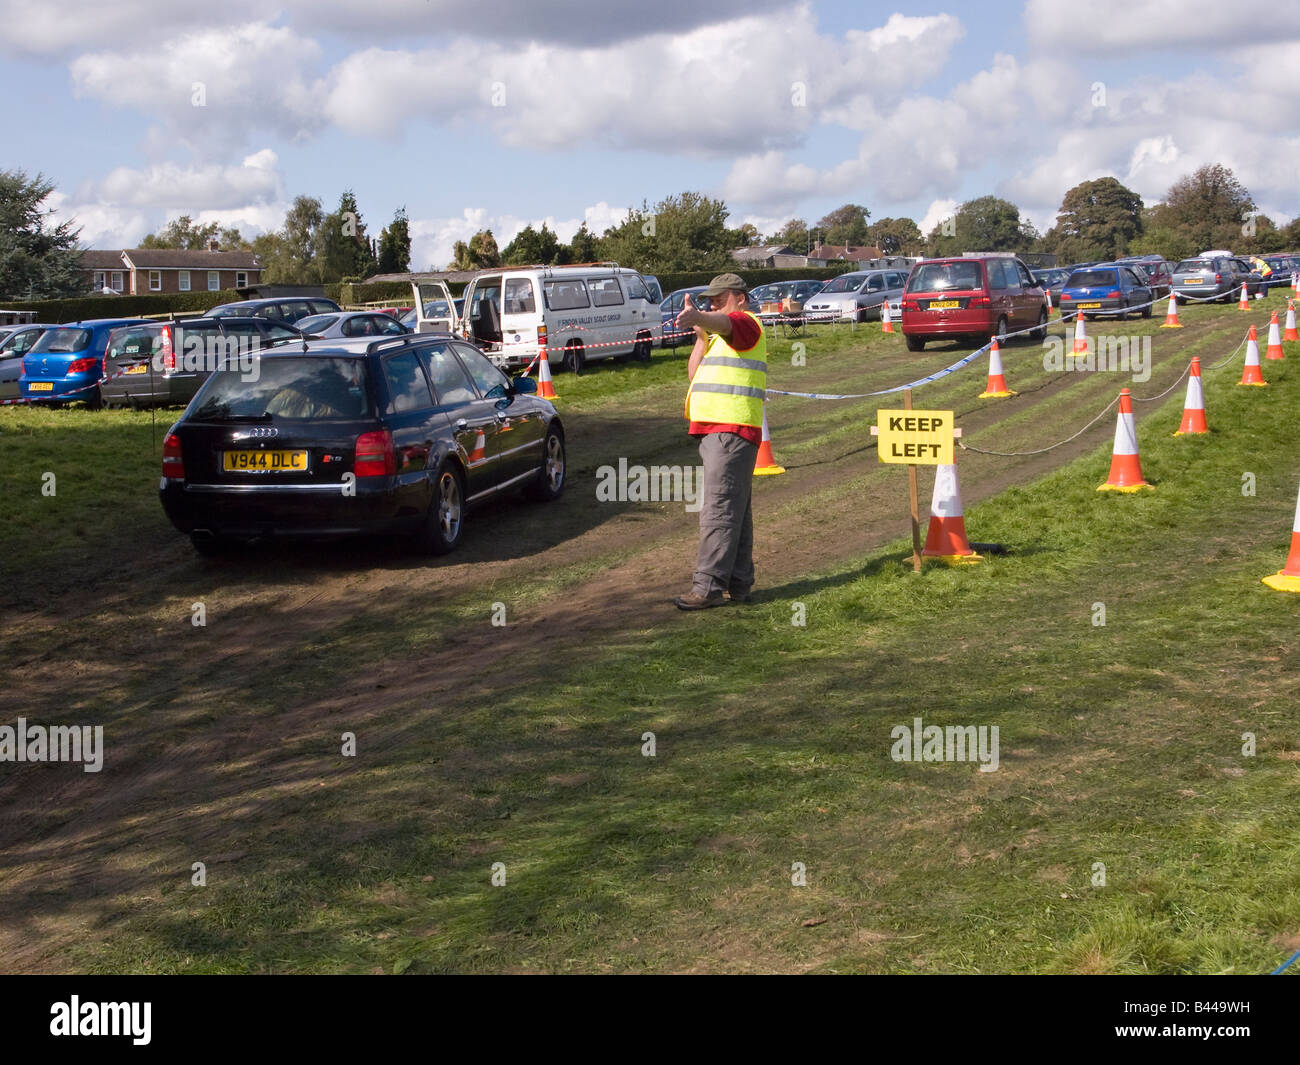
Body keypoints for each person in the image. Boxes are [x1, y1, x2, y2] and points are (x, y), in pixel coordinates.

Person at [673, 272, 767, 610]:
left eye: (720, 297)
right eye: (709, 298)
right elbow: (694, 375)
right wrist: (700, 336)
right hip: (723, 432)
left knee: (719, 508)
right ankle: (738, 584)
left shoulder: (744, 324)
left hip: (730, 431)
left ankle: (708, 587)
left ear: (739, 298)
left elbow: (725, 323)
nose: (713, 302)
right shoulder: (719, 336)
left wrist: (699, 317)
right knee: (735, 509)